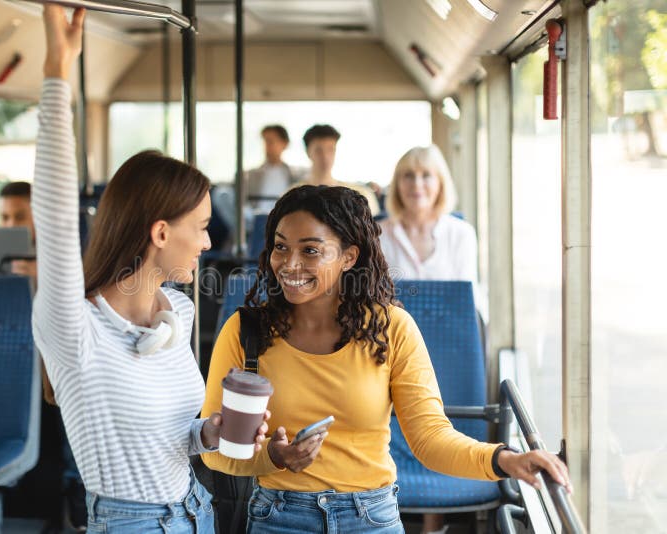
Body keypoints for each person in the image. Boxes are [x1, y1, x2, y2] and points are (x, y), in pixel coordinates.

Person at [201, 185, 571, 533]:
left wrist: (505, 459)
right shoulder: (245, 332)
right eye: (280, 247)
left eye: (310, 250)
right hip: (278, 517)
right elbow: (215, 452)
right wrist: (274, 457)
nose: (289, 263)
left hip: (371, 518)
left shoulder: (391, 329)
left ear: (349, 257)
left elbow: (430, 438)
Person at [32, 6, 267, 533]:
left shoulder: (176, 313)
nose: (209, 242)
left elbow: (176, 438)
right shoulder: (76, 328)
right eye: (202, 226)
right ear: (161, 234)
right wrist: (57, 71)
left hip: (195, 511)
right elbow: (53, 214)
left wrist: (211, 432)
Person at [378, 145, 485, 321]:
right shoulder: (378, 236)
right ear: (396, 184)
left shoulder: (461, 234)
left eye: (426, 175)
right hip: (392, 339)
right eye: (408, 175)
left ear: (441, 183)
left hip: (449, 336)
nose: (416, 184)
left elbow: (469, 301)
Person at [292, 124, 380, 214]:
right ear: (308, 152)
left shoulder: (361, 194)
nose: (325, 156)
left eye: (330, 149)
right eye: (318, 150)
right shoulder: (292, 195)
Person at [246, 125, 302, 213]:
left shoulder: (296, 175)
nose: (266, 147)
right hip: (257, 218)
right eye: (264, 142)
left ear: (285, 144)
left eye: (270, 142)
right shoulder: (250, 175)